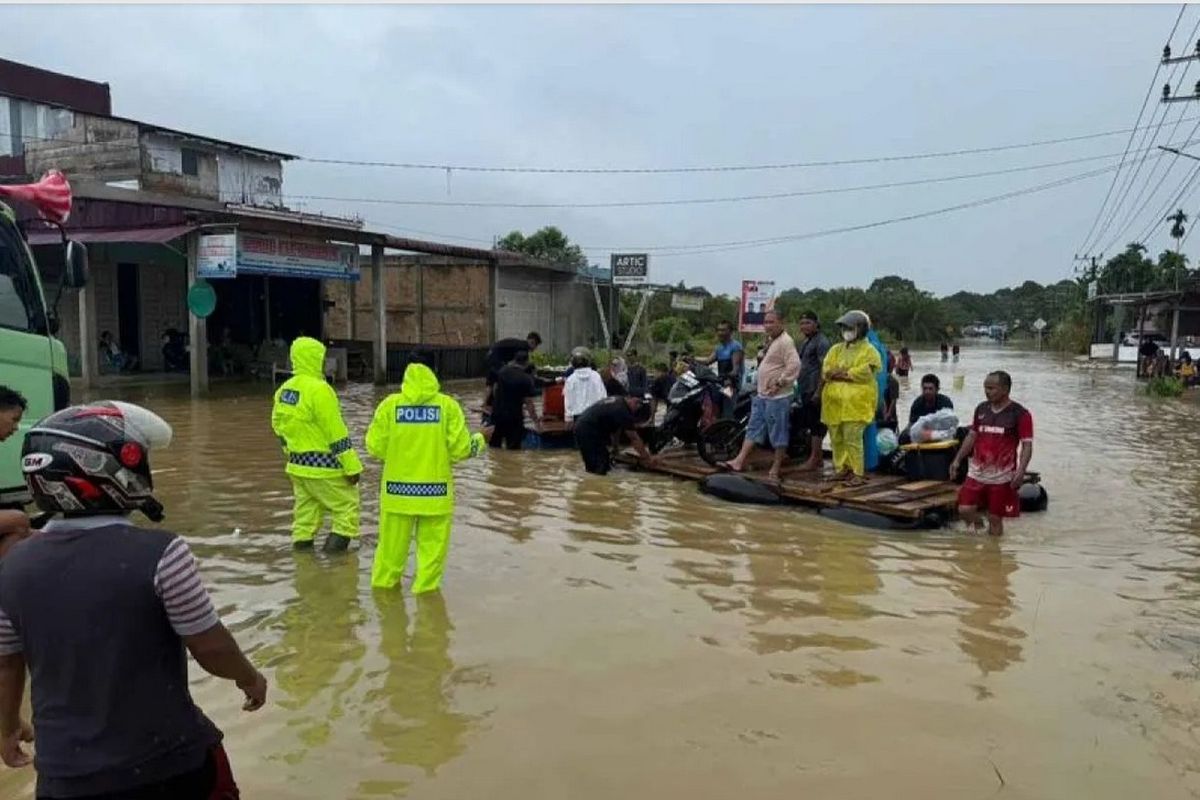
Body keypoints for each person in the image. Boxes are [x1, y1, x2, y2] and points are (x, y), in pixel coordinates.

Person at [0, 401, 267, 795]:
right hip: (168, 762)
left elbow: (7, 664)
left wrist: (7, 727)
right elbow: (210, 646)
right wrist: (250, 679)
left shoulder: (12, 567)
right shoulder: (163, 552)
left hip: (64, 776)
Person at [365, 352, 490, 593]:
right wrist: (480, 440)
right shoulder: (447, 407)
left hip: (396, 496)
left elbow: (374, 447)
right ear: (434, 370)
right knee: (430, 565)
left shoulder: (390, 406)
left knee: (388, 562)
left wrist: (401, 456)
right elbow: (462, 450)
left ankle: (386, 616)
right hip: (436, 497)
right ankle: (428, 619)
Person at [271, 336, 363, 553]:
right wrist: (352, 466)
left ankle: (305, 567)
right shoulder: (320, 390)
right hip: (325, 466)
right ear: (313, 358)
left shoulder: (284, 390)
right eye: (321, 358)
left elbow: (278, 426)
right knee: (346, 509)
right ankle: (335, 563)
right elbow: (336, 432)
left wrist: (291, 451)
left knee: (305, 518)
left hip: (297, 466)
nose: (323, 363)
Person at [717, 310, 802, 484]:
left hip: (778, 397)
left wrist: (779, 383)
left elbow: (794, 366)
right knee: (753, 427)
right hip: (762, 395)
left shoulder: (786, 342)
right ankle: (739, 460)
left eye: (771, 322)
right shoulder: (770, 341)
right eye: (766, 322)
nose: (768, 325)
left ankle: (776, 467)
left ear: (781, 323)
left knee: (778, 432)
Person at [949, 371, 1034, 537]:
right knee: (964, 509)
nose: (987, 392)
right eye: (985, 388)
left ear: (1005, 389)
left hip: (1002, 476)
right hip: (976, 473)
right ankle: (978, 526)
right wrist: (957, 459)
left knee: (995, 518)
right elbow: (972, 436)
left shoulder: (1020, 414)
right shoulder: (981, 409)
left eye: (991, 388)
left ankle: (994, 554)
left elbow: (1027, 445)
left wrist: (1021, 471)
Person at [820, 310, 883, 486]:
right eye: (844, 327)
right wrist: (845, 374)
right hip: (834, 404)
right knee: (836, 439)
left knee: (853, 439)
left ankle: (858, 473)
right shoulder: (835, 349)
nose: (846, 330)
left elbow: (865, 373)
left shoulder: (870, 350)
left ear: (860, 329)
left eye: (850, 327)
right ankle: (842, 469)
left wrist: (842, 373)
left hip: (856, 405)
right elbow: (826, 371)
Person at [573, 394, 657, 475]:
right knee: (599, 467)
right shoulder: (623, 412)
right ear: (636, 404)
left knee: (605, 462)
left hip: (586, 427)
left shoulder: (619, 400)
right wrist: (647, 458)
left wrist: (615, 449)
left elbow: (616, 431)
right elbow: (634, 438)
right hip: (587, 431)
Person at [794, 311, 831, 473]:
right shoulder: (806, 342)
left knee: (817, 425)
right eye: (802, 323)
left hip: (815, 389)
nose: (804, 326)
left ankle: (815, 459)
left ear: (816, 323)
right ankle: (818, 458)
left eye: (808, 323)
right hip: (805, 388)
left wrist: (818, 391)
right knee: (810, 422)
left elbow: (825, 368)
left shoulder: (822, 342)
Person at [489, 350, 541, 449]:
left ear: (514, 360)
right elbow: (528, 402)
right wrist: (536, 422)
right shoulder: (525, 379)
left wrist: (495, 406)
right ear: (526, 362)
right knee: (513, 448)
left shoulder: (503, 371)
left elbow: (495, 389)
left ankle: (493, 462)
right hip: (514, 417)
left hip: (498, 414)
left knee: (495, 444)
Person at [564, 347, 607, 427]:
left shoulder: (571, 379)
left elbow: (568, 399)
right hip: (595, 414)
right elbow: (603, 396)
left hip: (578, 417)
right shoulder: (596, 376)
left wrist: (568, 417)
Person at [879, 352, 900, 432]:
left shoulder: (883, 380)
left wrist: (887, 414)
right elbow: (893, 400)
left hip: (887, 417)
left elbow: (893, 400)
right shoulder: (892, 381)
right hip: (888, 416)